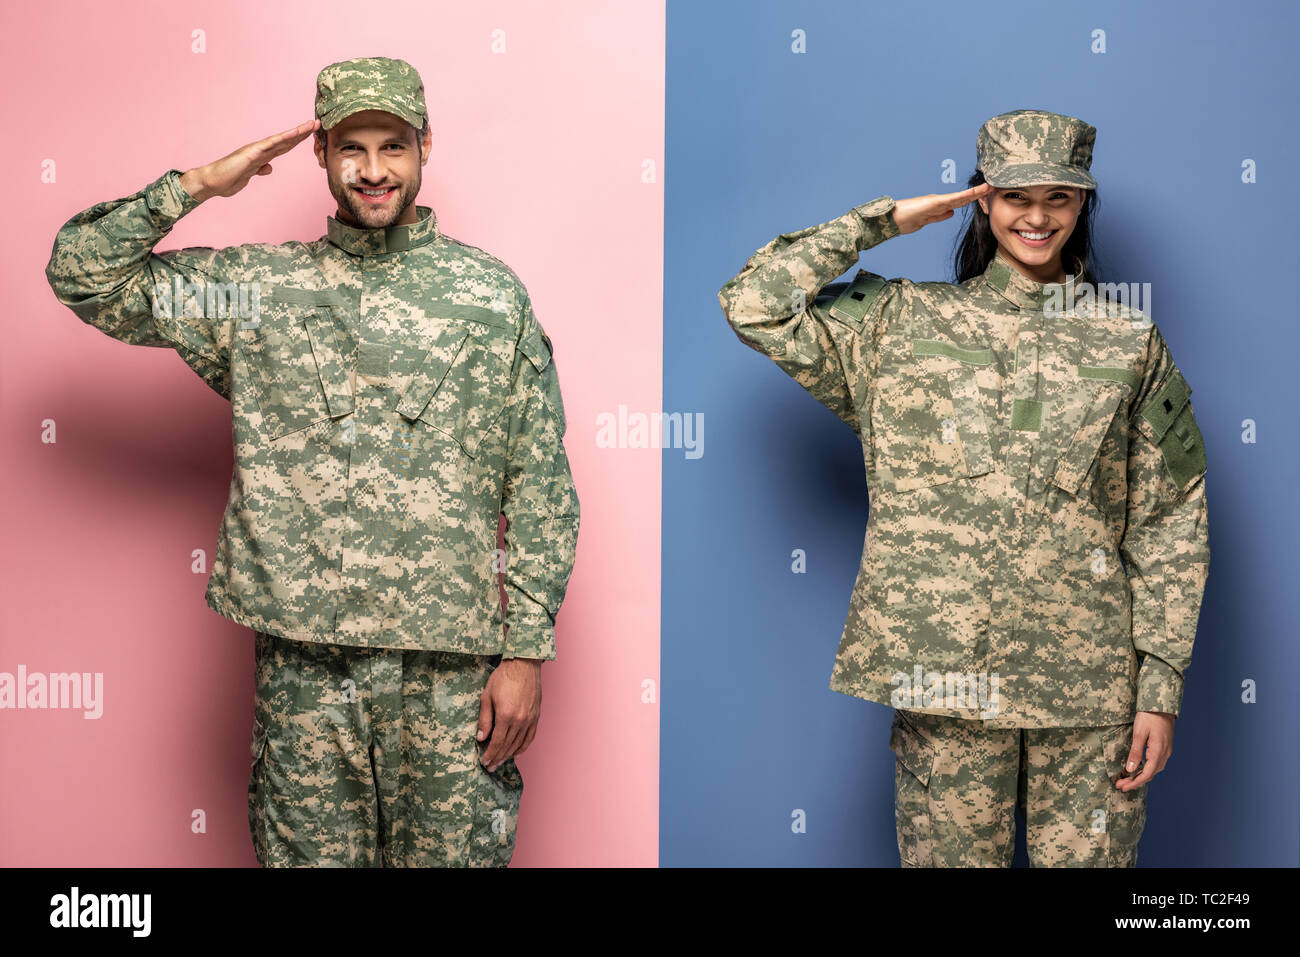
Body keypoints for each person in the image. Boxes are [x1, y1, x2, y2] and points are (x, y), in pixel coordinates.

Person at [44, 57, 580, 867]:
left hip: (450, 677)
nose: (372, 170)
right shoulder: (256, 292)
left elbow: (539, 480)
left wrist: (528, 651)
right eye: (351, 148)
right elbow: (82, 274)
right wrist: (193, 186)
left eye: (393, 145)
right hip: (305, 676)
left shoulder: (490, 296)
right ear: (321, 152)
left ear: (426, 146)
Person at [717, 110, 1209, 867]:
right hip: (946, 679)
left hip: (1088, 692)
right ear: (982, 199)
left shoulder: (1128, 341)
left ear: (1082, 206)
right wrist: (885, 220)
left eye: (1059, 198)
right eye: (1015, 196)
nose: (1037, 217)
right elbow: (752, 302)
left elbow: (1169, 519)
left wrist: (1160, 685)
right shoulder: (898, 324)